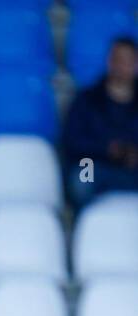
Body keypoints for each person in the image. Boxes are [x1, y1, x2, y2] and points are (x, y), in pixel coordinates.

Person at [63, 37, 138, 207]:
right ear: (110, 61)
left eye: (129, 61)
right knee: (82, 177)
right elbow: (73, 141)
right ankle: (83, 226)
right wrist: (108, 149)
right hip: (95, 163)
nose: (123, 66)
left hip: (133, 169)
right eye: (119, 59)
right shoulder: (87, 99)